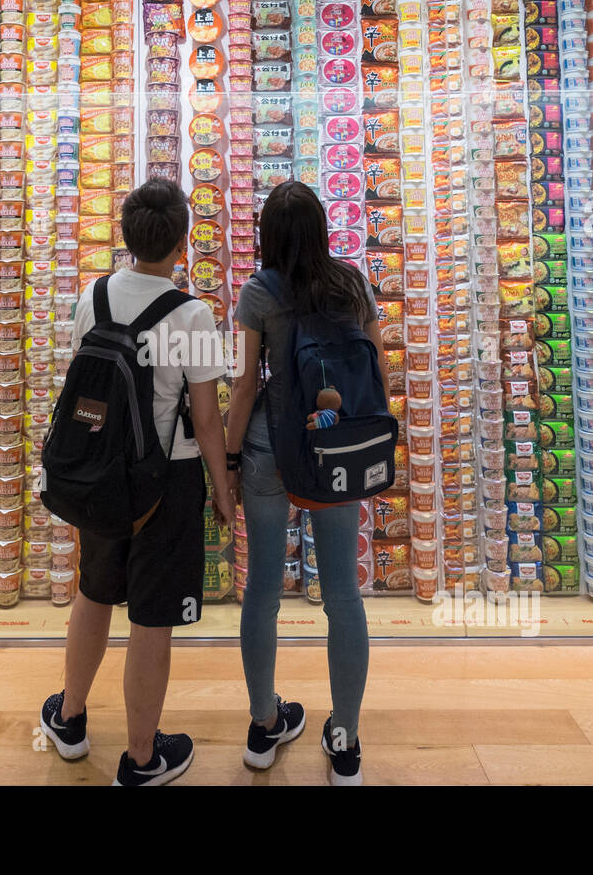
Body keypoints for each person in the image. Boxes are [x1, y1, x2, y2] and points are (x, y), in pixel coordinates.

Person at [39, 178, 233, 786]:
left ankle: (69, 718)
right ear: (182, 244)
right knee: (152, 616)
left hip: (100, 476)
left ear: (126, 237)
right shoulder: (192, 314)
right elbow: (205, 421)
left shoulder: (91, 298)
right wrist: (225, 494)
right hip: (167, 483)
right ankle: (144, 757)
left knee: (93, 591)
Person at [224, 181, 390, 786]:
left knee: (263, 589)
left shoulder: (258, 291)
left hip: (272, 445)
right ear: (322, 230)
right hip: (337, 446)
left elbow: (244, 386)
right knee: (342, 594)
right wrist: (367, 437)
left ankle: (264, 726)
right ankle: (344, 742)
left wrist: (230, 461)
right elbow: (377, 365)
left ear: (267, 235)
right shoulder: (350, 282)